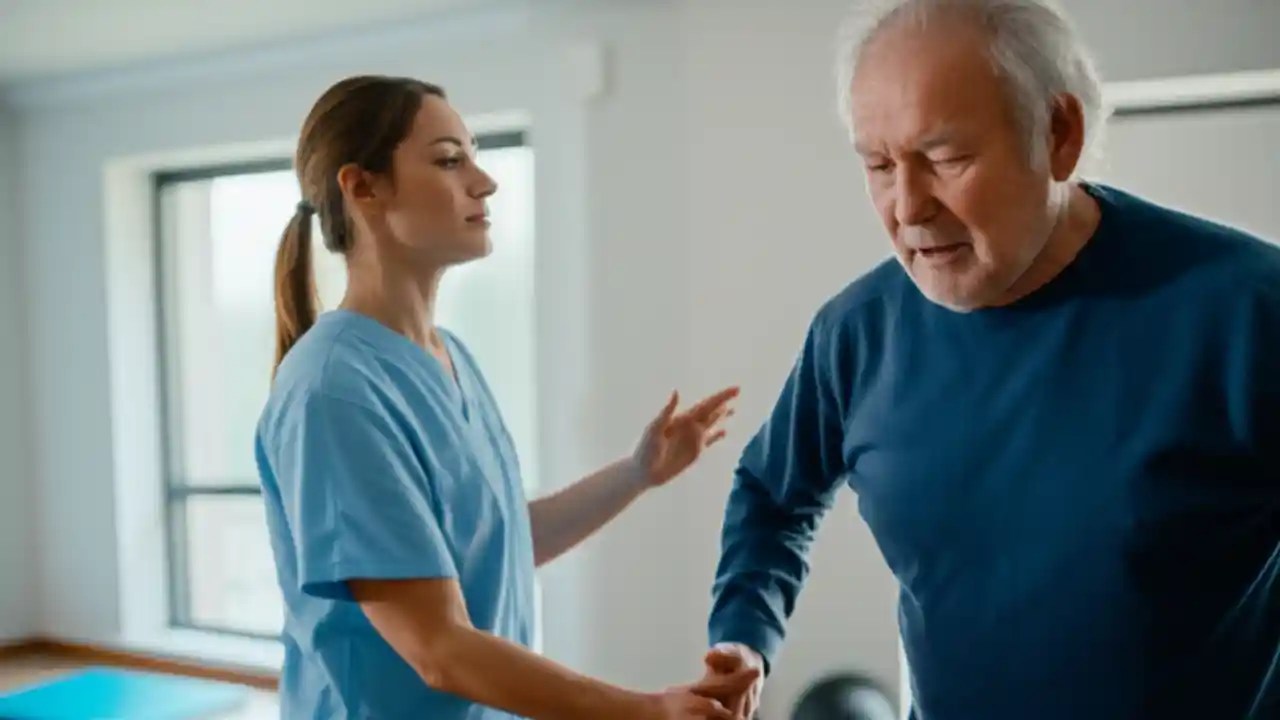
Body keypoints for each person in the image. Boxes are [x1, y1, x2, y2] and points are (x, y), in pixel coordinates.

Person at [698, 1, 1280, 719]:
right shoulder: (855, 335)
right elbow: (771, 494)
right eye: (879, 166)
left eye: (946, 160)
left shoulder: (1247, 310)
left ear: (1059, 135)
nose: (907, 208)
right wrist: (745, 634)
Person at [253, 75, 759, 719]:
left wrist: (636, 474)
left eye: (474, 155)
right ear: (363, 187)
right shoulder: (333, 391)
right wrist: (646, 711)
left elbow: (498, 542)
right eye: (448, 160)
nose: (483, 181)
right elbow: (438, 647)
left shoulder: (449, 356)